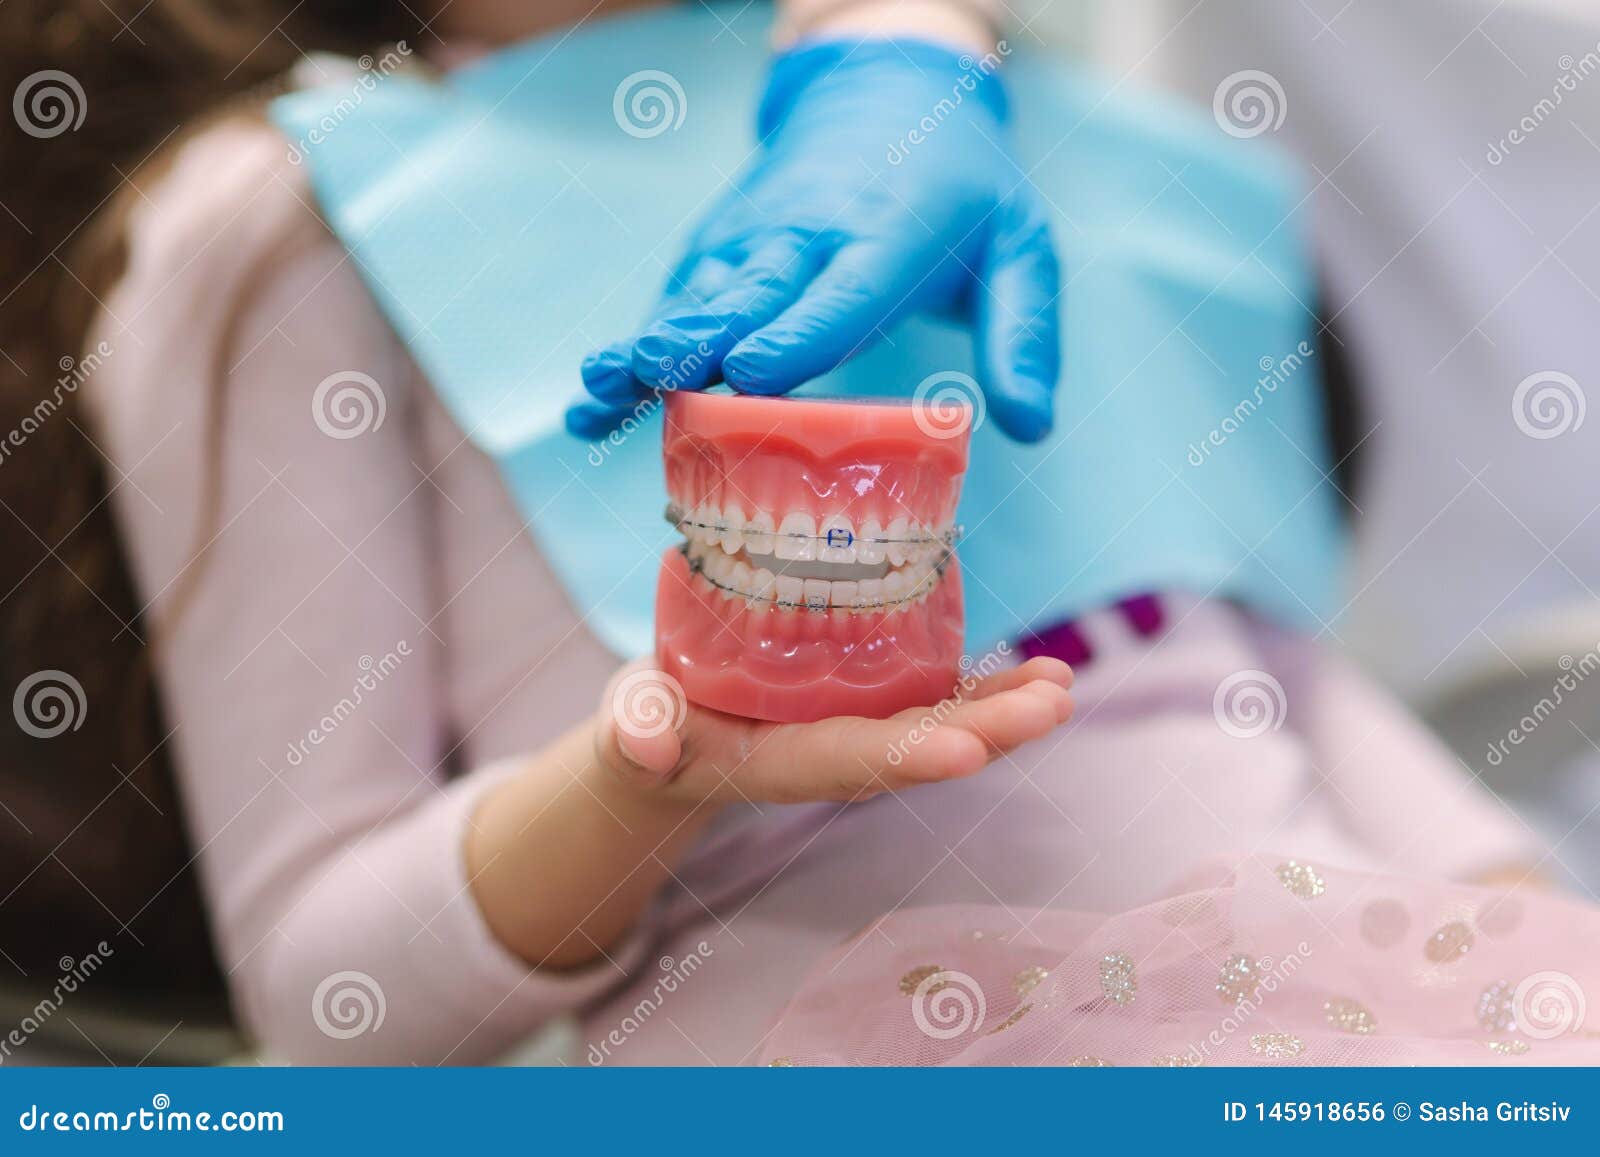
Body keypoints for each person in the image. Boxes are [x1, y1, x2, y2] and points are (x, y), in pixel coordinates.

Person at [2, 0, 1589, 1067]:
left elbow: (1224, 661)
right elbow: (326, 986)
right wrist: (650, 776)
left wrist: (1511, 941)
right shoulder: (278, 221)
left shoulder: (1016, 126)